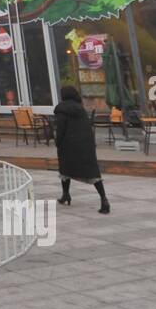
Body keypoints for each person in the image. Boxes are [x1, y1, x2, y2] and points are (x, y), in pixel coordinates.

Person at [53, 85, 110, 214]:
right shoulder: (80, 109)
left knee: (65, 169)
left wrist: (58, 142)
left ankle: (66, 194)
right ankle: (104, 199)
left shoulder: (62, 109)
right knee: (92, 173)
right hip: (85, 144)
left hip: (68, 145)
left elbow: (60, 129)